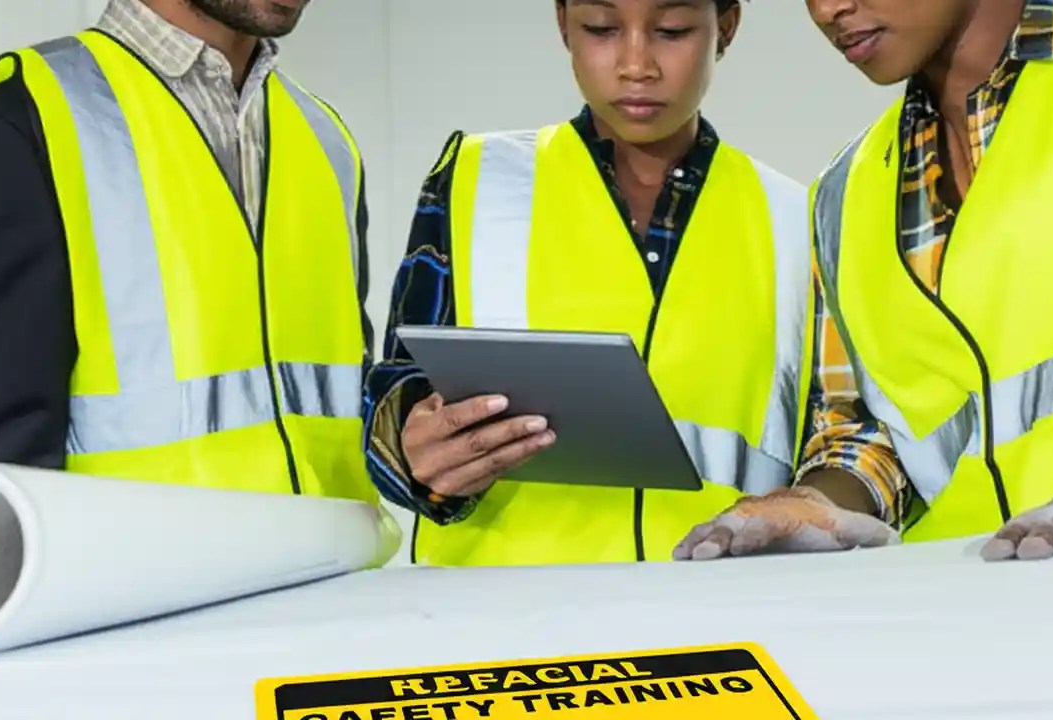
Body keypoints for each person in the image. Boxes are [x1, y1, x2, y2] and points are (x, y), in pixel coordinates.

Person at [364, 0, 895, 567]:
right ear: (563, 22)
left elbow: (845, 433)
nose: (636, 65)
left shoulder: (798, 219)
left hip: (717, 603)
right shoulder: (475, 180)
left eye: (671, 30)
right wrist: (413, 452)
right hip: (498, 607)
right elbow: (398, 390)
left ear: (726, 27)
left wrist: (813, 502)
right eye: (601, 28)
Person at [675, 0, 1053, 562]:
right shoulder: (842, 192)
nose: (828, 9)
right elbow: (868, 433)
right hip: (958, 599)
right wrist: (813, 503)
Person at [0, 0, 377, 502]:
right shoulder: (27, 120)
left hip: (334, 553)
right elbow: (2, 489)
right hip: (135, 555)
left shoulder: (325, 139)